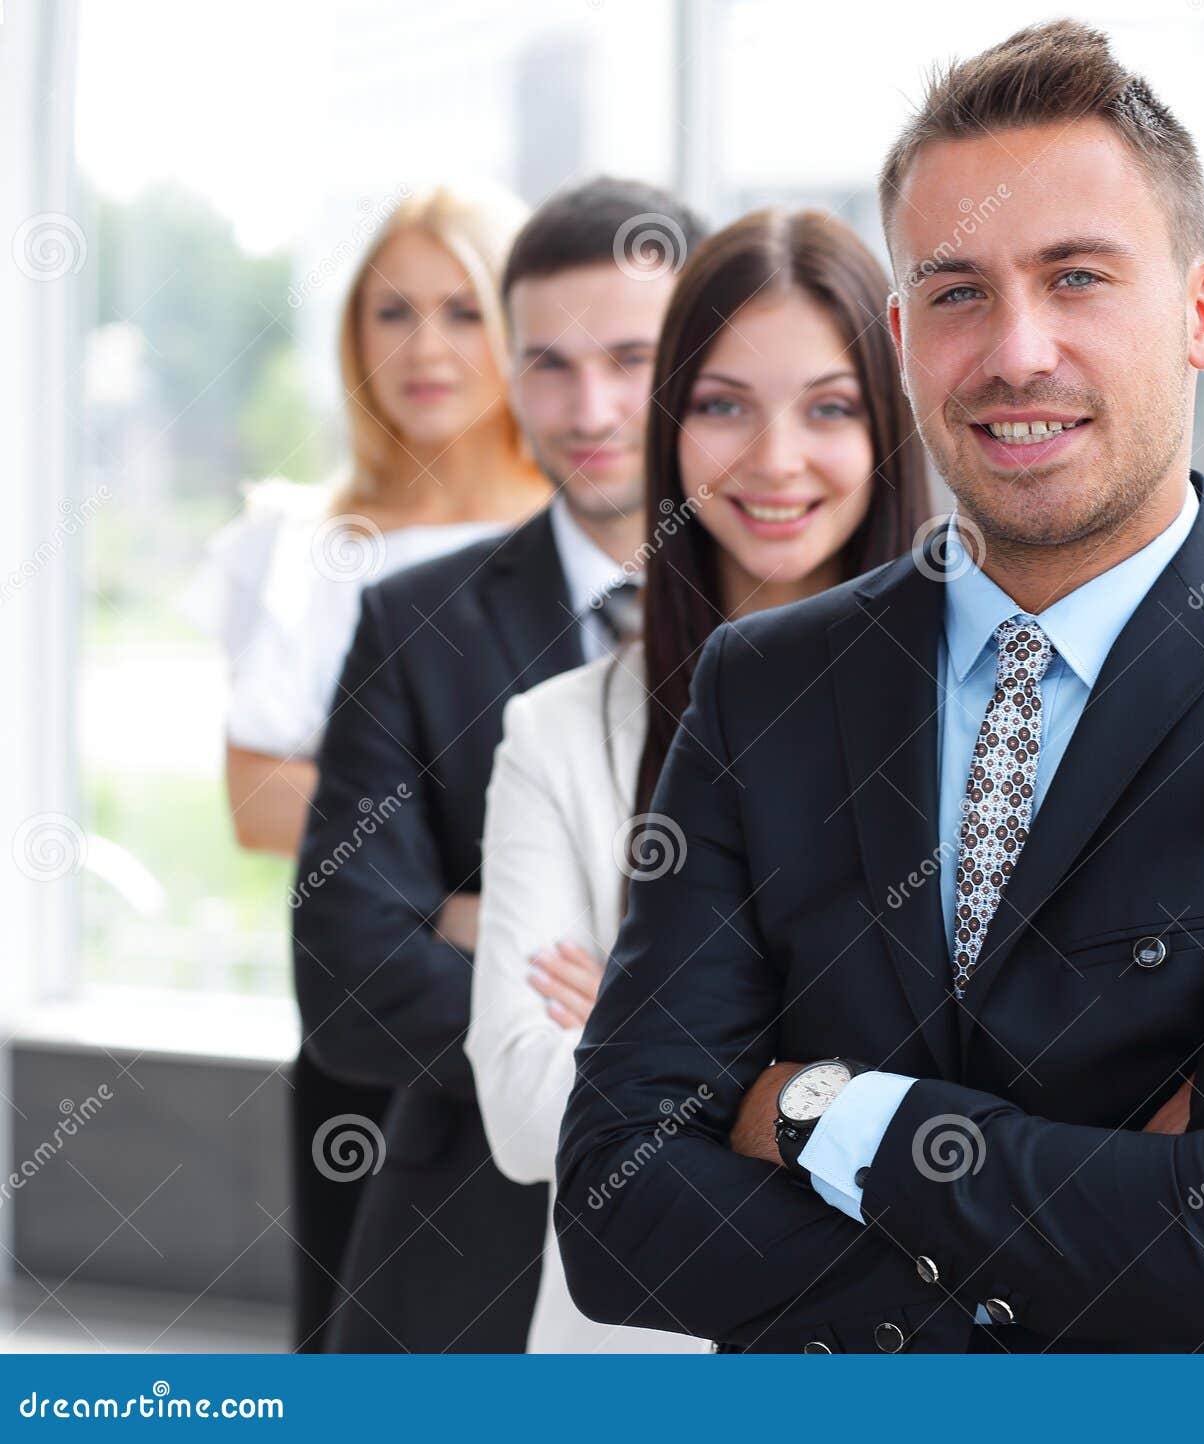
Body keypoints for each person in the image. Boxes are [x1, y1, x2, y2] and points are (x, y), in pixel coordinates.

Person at [556, 20, 1204, 1354]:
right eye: (956, 293)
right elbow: (613, 1208)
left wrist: (820, 1113)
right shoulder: (764, 686)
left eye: (1078, 279)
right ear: (900, 338)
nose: (1015, 351)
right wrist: (1104, 1208)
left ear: (1203, 314)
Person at [467, 208, 935, 1352]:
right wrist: (828, 1089)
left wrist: (655, 1049)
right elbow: (529, 1122)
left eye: (829, 407)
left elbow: (1025, 1116)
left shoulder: (978, 711)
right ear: (671, 428)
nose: (773, 459)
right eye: (724, 405)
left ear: (889, 427)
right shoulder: (561, 732)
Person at [291, 177, 706, 1352]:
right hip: (461, 1266)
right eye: (548, 365)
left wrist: (511, 933)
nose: (590, 408)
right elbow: (347, 974)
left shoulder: (808, 621)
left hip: (737, 1279)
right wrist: (679, 1027)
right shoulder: (415, 623)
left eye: (633, 357)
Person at [186, 182, 547, 1351]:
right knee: (355, 1326)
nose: (425, 347)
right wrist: (427, 900)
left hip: (555, 1010)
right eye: (392, 314)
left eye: (460, 309)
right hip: (373, 1019)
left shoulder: (593, 537)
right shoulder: (303, 545)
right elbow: (252, 794)